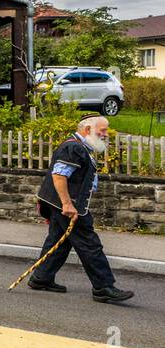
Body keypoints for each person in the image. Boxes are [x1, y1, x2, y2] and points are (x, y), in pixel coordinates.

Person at [29, 115, 134, 303]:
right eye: (102, 130)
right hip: (69, 207)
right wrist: (67, 204)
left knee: (59, 241)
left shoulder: (80, 147)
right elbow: (59, 176)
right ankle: (103, 287)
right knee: (90, 244)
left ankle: (41, 278)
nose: (105, 134)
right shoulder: (74, 148)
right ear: (87, 129)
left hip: (62, 205)